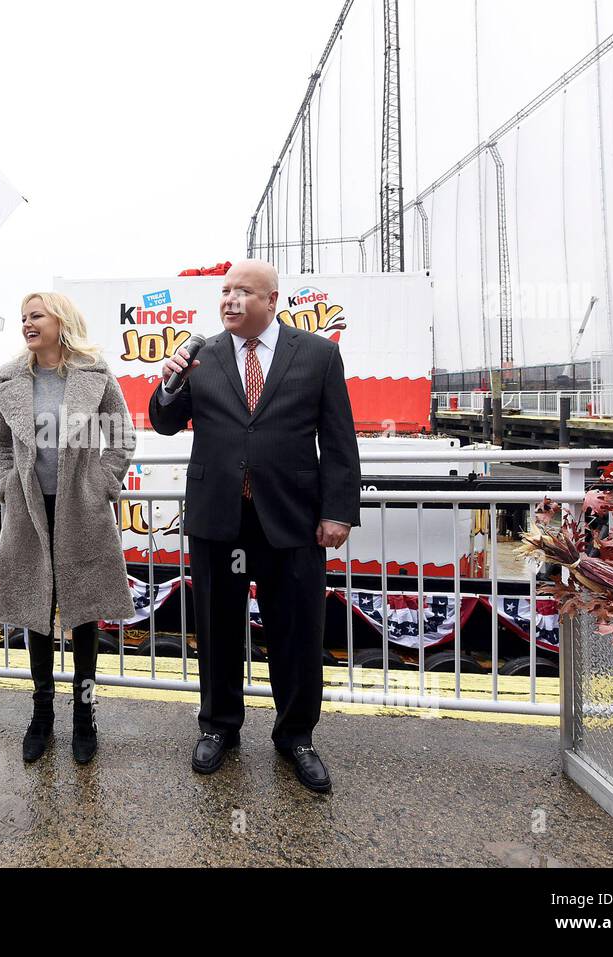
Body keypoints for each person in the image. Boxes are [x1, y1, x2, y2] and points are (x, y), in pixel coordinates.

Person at [149, 259, 361, 794]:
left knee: (296, 632)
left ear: (271, 300)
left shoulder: (317, 355)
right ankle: (219, 728)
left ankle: (296, 738)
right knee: (218, 628)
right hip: (219, 517)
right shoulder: (201, 356)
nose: (230, 300)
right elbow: (164, 421)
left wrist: (338, 511)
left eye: (243, 291)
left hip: (291, 520)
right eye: (224, 292)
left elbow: (339, 442)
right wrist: (172, 381)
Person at [0, 292, 137, 764]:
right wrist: (8, 483)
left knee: (84, 613)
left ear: (60, 322)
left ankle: (85, 712)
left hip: (82, 508)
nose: (27, 324)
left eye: (36, 316)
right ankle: (42, 712)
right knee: (36, 609)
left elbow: (121, 434)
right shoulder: (11, 378)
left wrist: (103, 484)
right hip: (30, 509)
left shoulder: (94, 374)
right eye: (23, 317)